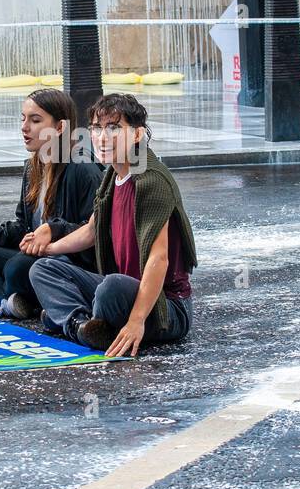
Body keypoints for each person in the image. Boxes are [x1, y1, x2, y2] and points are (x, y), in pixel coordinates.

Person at [30, 93, 196, 358]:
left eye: (114, 128)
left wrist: (136, 322)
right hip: (124, 291)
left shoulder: (150, 181)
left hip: (166, 307)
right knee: (44, 270)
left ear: (138, 135)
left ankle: (71, 320)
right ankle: (81, 325)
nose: (102, 137)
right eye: (97, 128)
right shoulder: (112, 175)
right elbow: (91, 230)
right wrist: (47, 250)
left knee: (111, 287)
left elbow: (159, 258)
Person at [0, 89, 102, 319]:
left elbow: (95, 230)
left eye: (35, 120)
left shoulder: (82, 168)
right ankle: (3, 300)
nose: (24, 126)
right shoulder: (33, 168)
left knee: (16, 268)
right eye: (23, 118)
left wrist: (53, 231)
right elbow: (23, 226)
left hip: (66, 261)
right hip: (32, 254)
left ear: (60, 127)